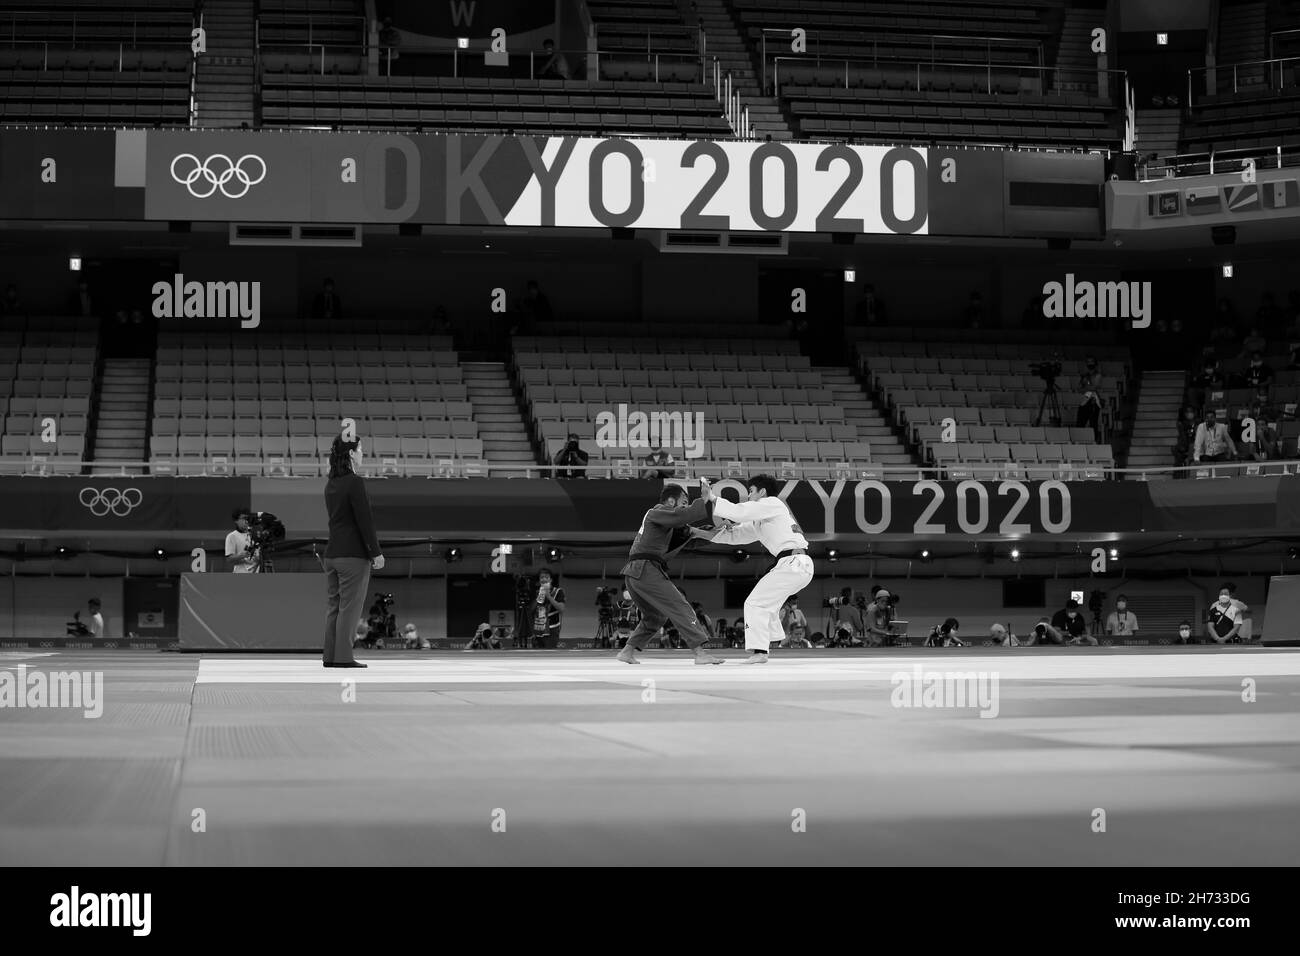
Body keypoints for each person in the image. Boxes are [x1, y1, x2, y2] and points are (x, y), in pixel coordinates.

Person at [690, 474, 814, 663]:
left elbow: (740, 512)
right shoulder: (760, 520)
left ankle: (760, 652)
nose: (748, 496)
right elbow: (735, 535)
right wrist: (697, 533)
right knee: (768, 605)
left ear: (762, 492)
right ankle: (771, 641)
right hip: (793, 564)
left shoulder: (773, 503)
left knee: (754, 603)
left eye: (750, 491)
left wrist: (713, 498)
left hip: (794, 562)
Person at [614, 483, 725, 665]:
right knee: (679, 605)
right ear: (671, 500)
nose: (685, 506)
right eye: (683, 501)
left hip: (637, 573)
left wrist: (720, 531)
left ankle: (627, 651)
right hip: (645, 569)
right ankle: (700, 653)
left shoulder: (669, 524)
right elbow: (682, 515)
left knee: (655, 616)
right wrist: (704, 499)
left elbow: (694, 536)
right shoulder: (656, 512)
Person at [323, 434, 385, 668]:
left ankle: (330, 656)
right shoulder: (355, 482)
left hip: (332, 554)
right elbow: (365, 521)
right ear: (351, 453)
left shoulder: (331, 483)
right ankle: (343, 658)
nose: (362, 453)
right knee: (350, 608)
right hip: (353, 556)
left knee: (334, 607)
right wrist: (375, 552)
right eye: (360, 449)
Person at [528, 568, 566, 648]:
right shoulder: (536, 592)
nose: (544, 579)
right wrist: (539, 597)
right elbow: (531, 610)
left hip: (552, 629)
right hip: (538, 628)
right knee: (538, 657)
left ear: (551, 580)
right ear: (539, 580)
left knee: (549, 655)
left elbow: (561, 609)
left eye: (546, 577)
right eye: (541, 577)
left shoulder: (558, 591)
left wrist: (549, 596)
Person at [225, 508, 259, 573]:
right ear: (236, 520)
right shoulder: (232, 536)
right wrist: (241, 556)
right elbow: (229, 559)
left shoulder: (255, 534)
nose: (246, 521)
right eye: (244, 518)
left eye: (247, 519)